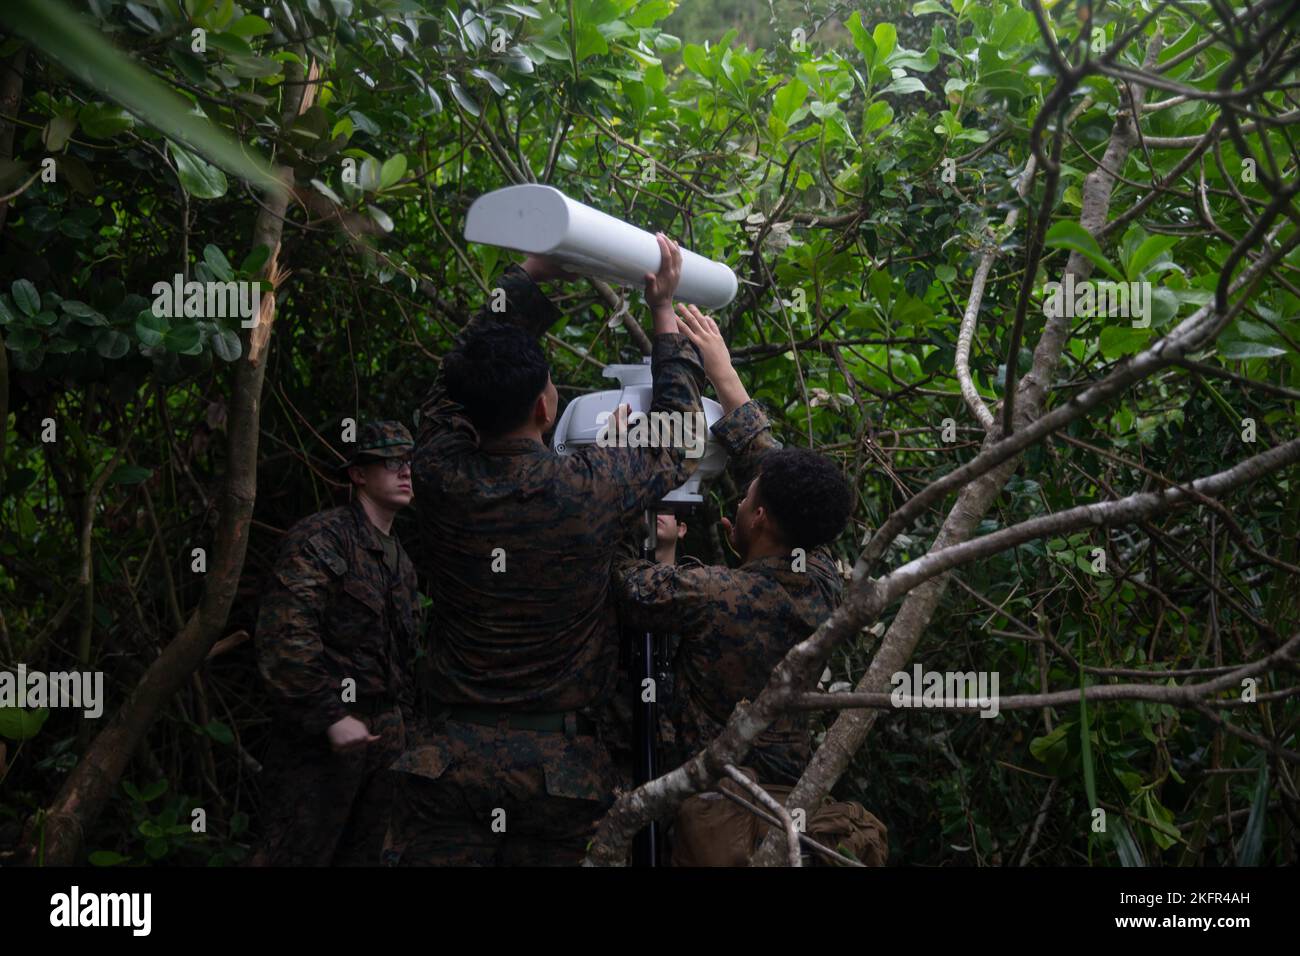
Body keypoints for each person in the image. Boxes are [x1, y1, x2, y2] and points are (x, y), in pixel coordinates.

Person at [387, 236, 708, 865]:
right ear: (544, 404)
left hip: (445, 762)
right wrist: (664, 313)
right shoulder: (588, 485)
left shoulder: (437, 471)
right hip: (557, 776)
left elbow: (449, 389)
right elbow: (682, 439)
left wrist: (525, 278)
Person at [613, 304, 853, 788]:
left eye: (747, 498)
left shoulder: (715, 595)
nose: (741, 499)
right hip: (787, 792)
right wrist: (722, 370)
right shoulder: (824, 578)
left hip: (710, 806)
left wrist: (617, 476)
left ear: (759, 517)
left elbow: (626, 581)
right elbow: (775, 471)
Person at [252, 421, 420, 866]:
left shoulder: (399, 559)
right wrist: (330, 715)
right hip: (320, 740)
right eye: (390, 463)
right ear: (358, 474)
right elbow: (285, 634)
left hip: (383, 738)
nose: (405, 472)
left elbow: (401, 656)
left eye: (408, 462)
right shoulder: (323, 538)